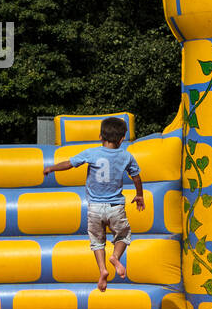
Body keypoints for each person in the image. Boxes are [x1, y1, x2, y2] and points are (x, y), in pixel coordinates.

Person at [43, 117, 144, 291]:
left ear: (100, 136)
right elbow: (136, 177)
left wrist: (51, 168)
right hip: (116, 207)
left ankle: (103, 270)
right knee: (123, 236)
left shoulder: (92, 153)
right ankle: (115, 257)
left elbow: (69, 164)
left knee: (97, 242)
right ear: (122, 139)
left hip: (95, 208)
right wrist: (139, 195)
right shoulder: (126, 156)